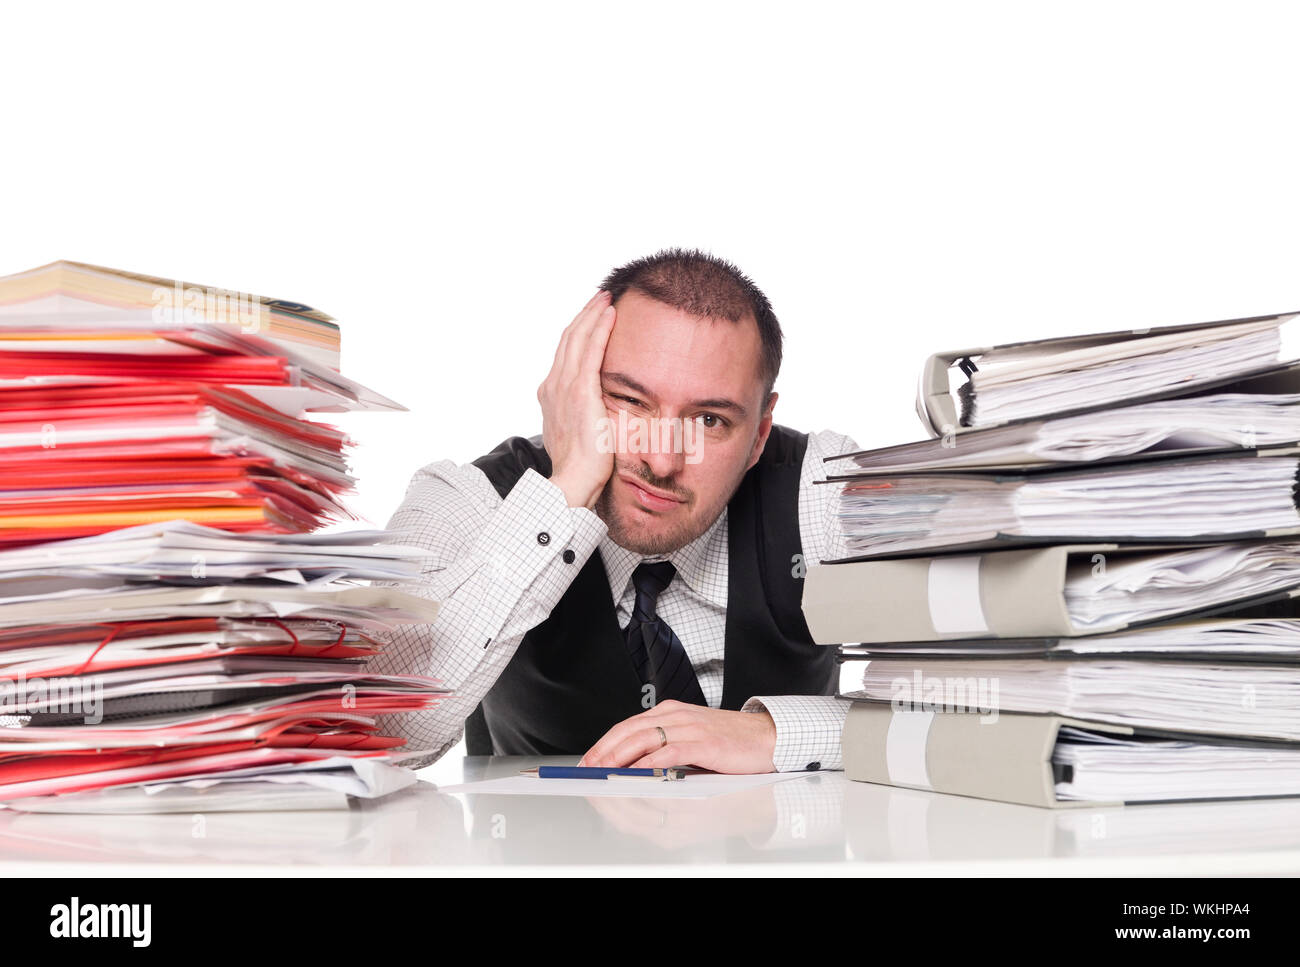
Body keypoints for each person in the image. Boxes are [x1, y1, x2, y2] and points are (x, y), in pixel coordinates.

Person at [370, 248, 858, 773]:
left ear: (759, 435)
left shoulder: (826, 489)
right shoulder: (470, 499)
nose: (662, 459)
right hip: (540, 853)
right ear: (571, 393)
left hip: (798, 854)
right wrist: (570, 485)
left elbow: (953, 705)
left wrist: (775, 735)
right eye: (628, 401)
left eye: (710, 420)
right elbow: (377, 732)